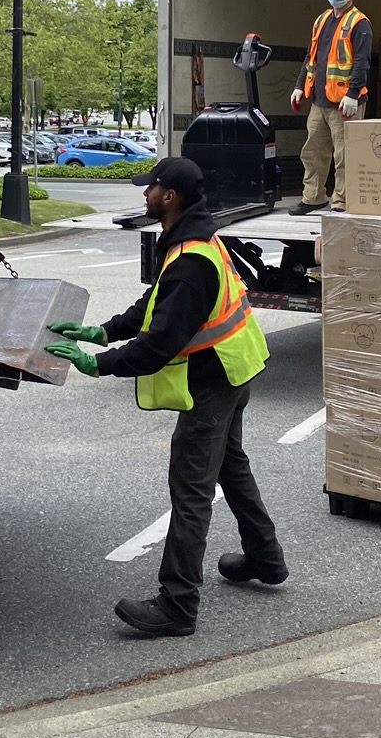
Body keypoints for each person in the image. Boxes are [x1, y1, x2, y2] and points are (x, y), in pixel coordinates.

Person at [43, 157, 286, 637]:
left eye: (150, 187)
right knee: (231, 467)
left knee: (191, 490)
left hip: (214, 379)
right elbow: (156, 303)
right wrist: (103, 331)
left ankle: (177, 605)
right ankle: (265, 558)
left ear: (169, 196)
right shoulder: (189, 240)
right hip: (235, 366)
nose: (144, 194)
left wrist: (99, 363)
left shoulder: (192, 262)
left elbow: (160, 344)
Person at [288, 0, 372, 213]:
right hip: (319, 101)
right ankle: (313, 197)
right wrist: (299, 86)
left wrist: (353, 94)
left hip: (344, 103)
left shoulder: (359, 23)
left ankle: (342, 201)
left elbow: (362, 62)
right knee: (313, 152)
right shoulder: (322, 20)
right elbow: (311, 57)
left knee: (345, 155)